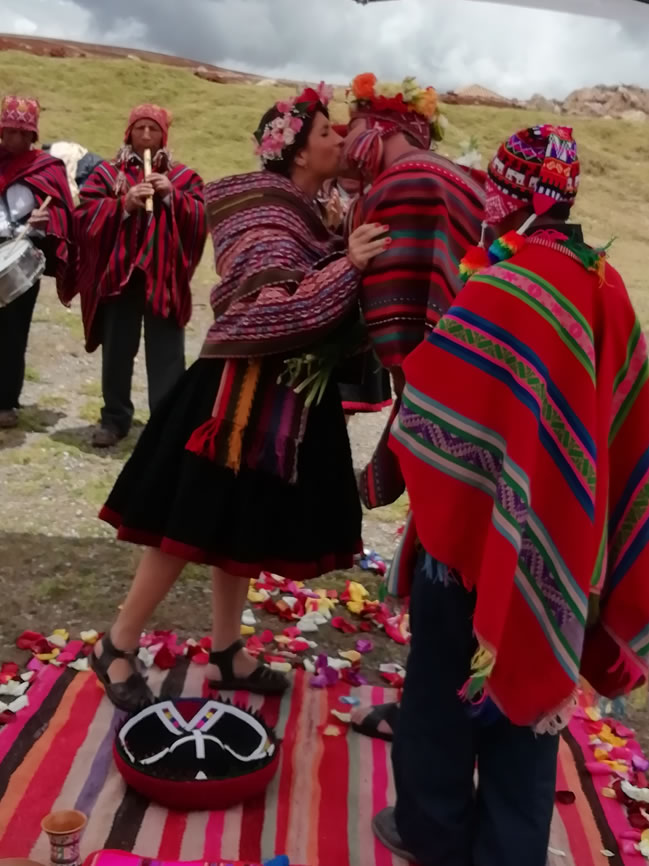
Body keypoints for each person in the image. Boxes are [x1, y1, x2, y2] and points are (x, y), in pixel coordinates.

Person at [375, 125, 649, 866]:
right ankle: (510, 848)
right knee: (531, 692)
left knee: (439, 687)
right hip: (562, 538)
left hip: (467, 539)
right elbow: (623, 427)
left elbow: (429, 405)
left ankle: (432, 829)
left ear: (507, 195)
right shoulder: (608, 287)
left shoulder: (499, 284)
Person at [90, 84, 388, 713]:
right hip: (232, 394)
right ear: (298, 154)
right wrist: (348, 269)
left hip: (282, 397)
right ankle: (117, 644)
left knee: (240, 526)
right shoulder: (264, 210)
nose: (341, 139)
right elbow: (265, 317)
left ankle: (227, 648)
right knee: (186, 524)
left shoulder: (320, 207)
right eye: (328, 133)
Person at [342, 74, 486, 740]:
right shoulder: (458, 179)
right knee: (470, 557)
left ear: (385, 127)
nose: (350, 139)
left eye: (358, 125)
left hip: (442, 394)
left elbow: (393, 297)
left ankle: (432, 719)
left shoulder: (409, 183)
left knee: (443, 556)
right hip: (482, 389)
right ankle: (463, 704)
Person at [75, 104, 206, 448]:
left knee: (167, 354)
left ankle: (164, 424)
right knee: (117, 349)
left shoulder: (182, 177)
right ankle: (115, 419)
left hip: (164, 277)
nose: (146, 136)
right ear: (128, 133)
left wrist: (171, 197)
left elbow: (201, 217)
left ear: (164, 134)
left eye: (153, 129)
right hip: (121, 275)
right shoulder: (107, 174)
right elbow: (84, 216)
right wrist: (124, 205)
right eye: (139, 128)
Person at [0, 95, 75, 429]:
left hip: (23, 253)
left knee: (13, 331)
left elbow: (63, 214)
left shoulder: (46, 168)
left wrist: (45, 222)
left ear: (32, 134)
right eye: (9, 131)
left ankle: (5, 402)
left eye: (21, 132)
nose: (14, 138)